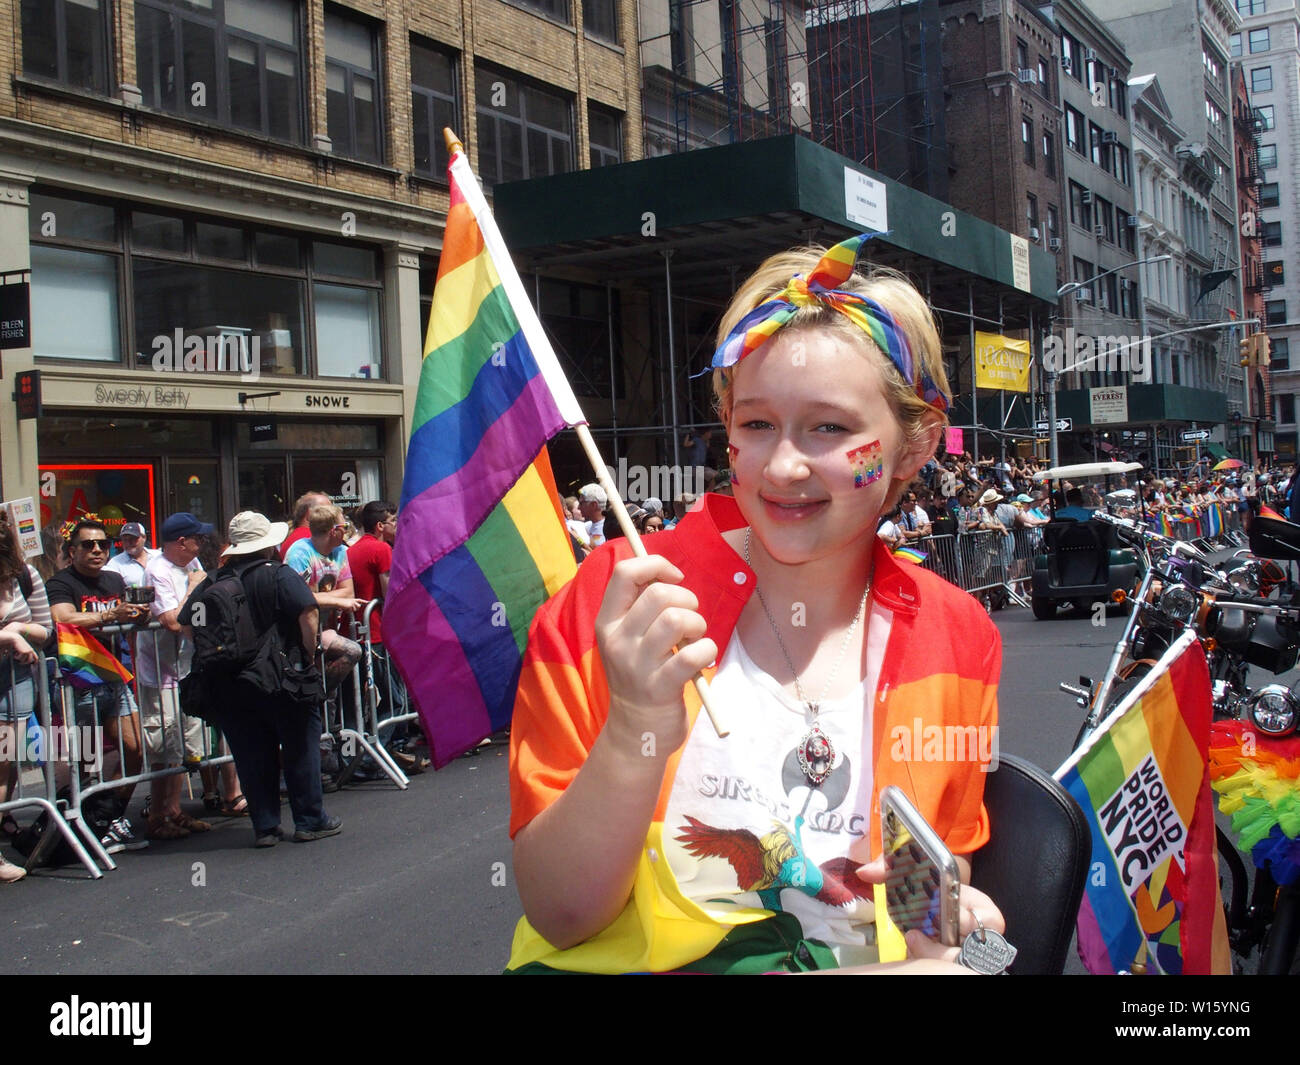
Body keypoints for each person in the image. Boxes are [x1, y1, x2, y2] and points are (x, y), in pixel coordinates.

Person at [507, 236, 1004, 973]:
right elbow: (561, 912)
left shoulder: (961, 634)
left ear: (913, 446)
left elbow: (932, 890)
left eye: (829, 427)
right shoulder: (620, 598)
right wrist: (636, 725)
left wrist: (964, 920)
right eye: (756, 424)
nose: (782, 466)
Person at [182, 511, 341, 847]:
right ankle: (310, 821)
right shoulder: (278, 573)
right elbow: (308, 611)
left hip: (229, 683)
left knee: (251, 756)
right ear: (268, 545)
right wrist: (310, 652)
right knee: (300, 747)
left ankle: (266, 827)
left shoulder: (212, 580)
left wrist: (219, 651)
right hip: (284, 677)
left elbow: (187, 625)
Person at [46, 519, 151, 854]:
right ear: (72, 550)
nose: (96, 550)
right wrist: (110, 616)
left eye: (103, 545)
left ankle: (110, 818)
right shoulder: (61, 582)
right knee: (83, 759)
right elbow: (63, 618)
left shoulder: (114, 579)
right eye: (88, 545)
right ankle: (79, 827)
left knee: (135, 750)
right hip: (78, 683)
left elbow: (127, 615)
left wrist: (137, 615)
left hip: (113, 677)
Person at [138, 512, 217, 840]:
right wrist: (195, 590)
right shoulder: (157, 569)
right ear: (181, 541)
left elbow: (196, 616)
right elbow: (172, 620)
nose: (202, 543)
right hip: (160, 670)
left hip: (186, 666)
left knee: (185, 745)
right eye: (197, 538)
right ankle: (158, 815)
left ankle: (173, 809)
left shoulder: (193, 565)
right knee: (165, 744)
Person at [0, 517, 50, 884]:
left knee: (4, 767)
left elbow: (46, 630)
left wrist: (19, 630)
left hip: (13, 681)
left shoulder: (25, 575)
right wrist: (9, 638)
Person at [283, 504, 366, 686]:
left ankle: (323, 696)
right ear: (333, 531)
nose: (347, 531)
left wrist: (317, 597)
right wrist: (338, 602)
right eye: (344, 527)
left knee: (332, 700)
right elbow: (299, 598)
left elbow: (348, 591)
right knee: (352, 651)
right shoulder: (300, 553)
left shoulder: (340, 551)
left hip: (326, 628)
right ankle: (317, 691)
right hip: (300, 632)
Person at [279, 490, 331, 561]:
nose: (333, 515)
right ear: (310, 514)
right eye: (327, 511)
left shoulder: (296, 536)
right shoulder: (311, 539)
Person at [103, 523, 159, 588]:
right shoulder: (115, 564)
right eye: (125, 539)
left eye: (133, 538)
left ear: (144, 538)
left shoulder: (158, 556)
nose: (129, 542)